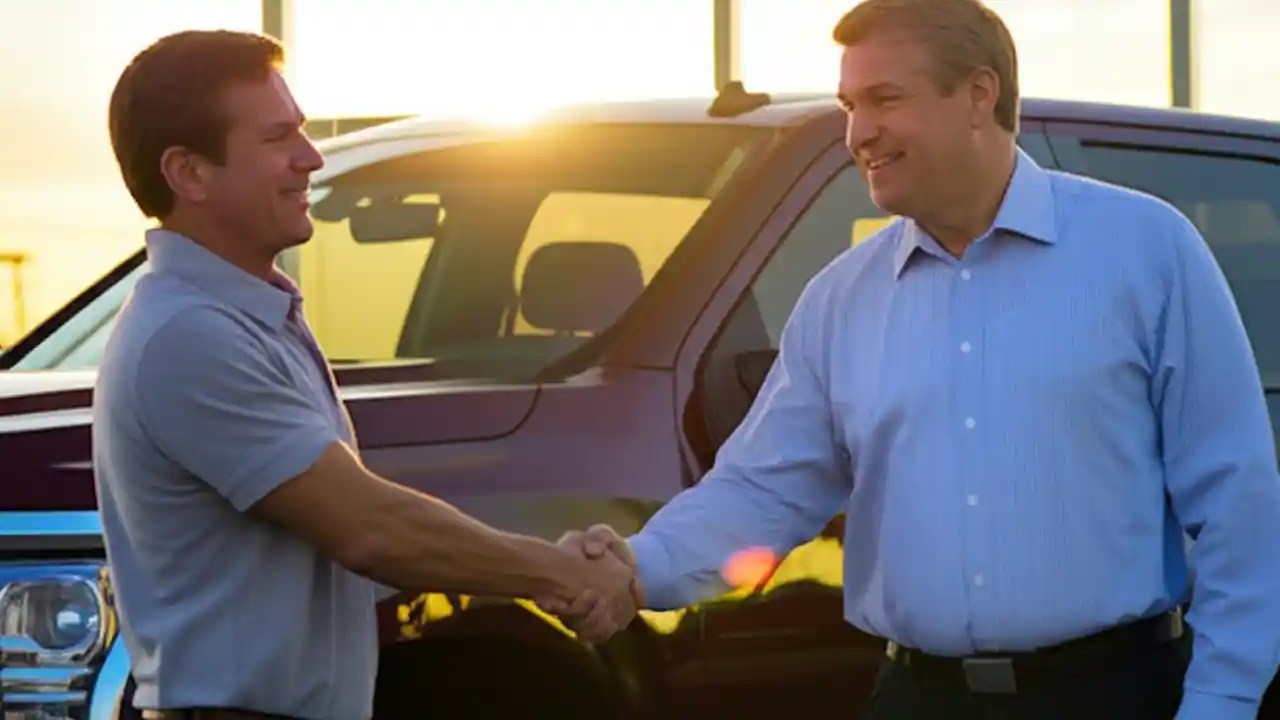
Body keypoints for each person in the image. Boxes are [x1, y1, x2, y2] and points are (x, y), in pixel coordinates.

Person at [554, 1, 1280, 718]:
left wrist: (1223, 699)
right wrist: (633, 568)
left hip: (1116, 694)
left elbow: (1237, 499)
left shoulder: (1146, 250)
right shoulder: (840, 300)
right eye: (848, 105)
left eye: (884, 99)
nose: (857, 133)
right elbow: (762, 492)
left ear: (978, 95)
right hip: (916, 699)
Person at [93, 30, 635, 720]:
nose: (310, 157)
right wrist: (556, 571)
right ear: (189, 174)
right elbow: (368, 528)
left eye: (304, 132)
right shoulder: (190, 338)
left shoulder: (249, 319)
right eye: (277, 138)